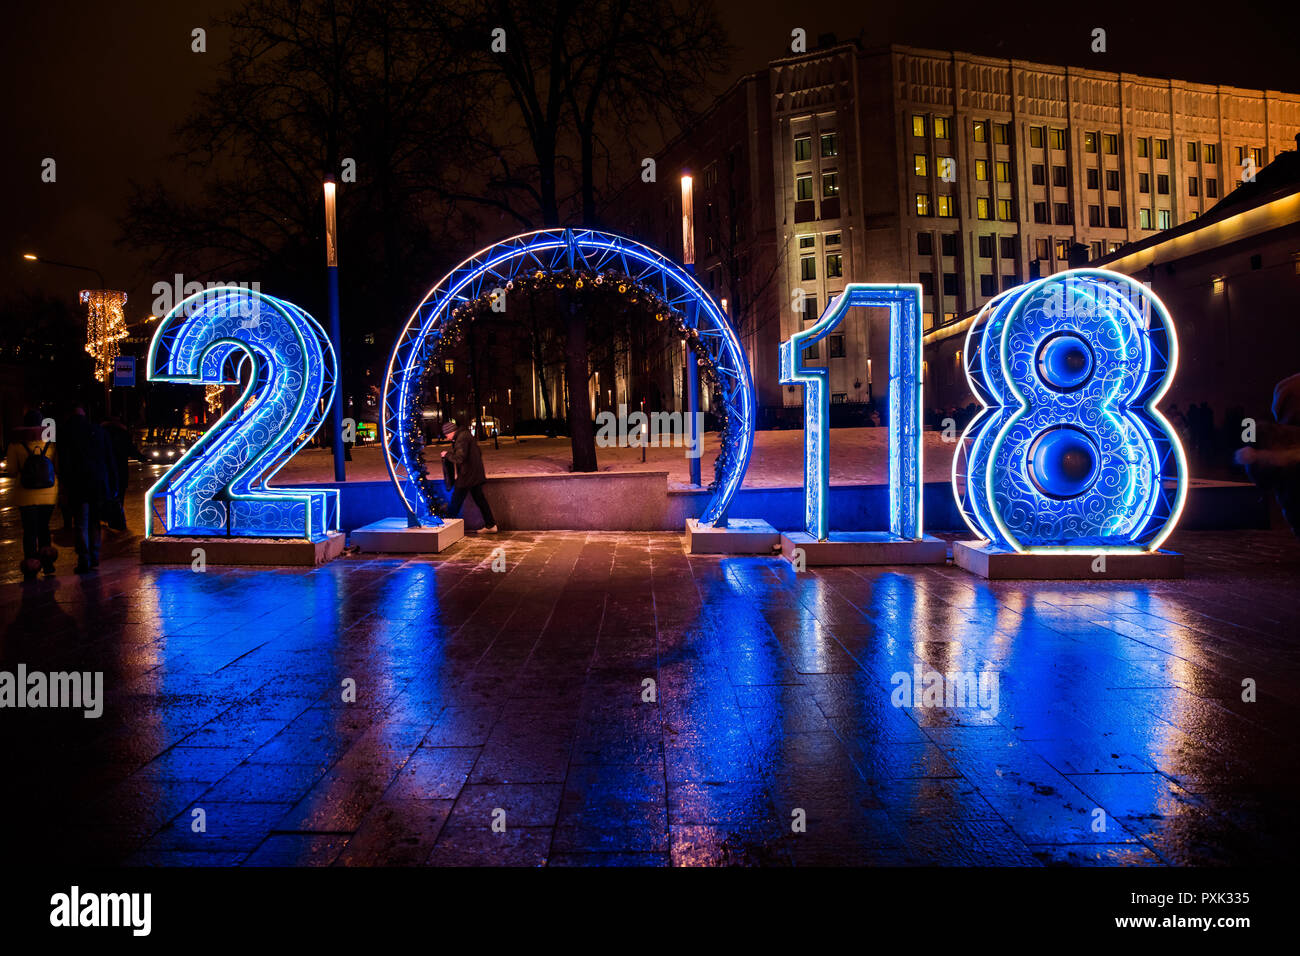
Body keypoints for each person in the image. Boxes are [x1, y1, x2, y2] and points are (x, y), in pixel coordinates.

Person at [59, 402, 118, 573]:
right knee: (95, 521)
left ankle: (83, 558)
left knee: (81, 522)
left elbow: (64, 464)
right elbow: (110, 460)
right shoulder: (99, 431)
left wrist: (64, 486)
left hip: (78, 485)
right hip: (99, 484)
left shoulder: (66, 432)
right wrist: (113, 484)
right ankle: (94, 555)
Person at [5, 409, 59, 579]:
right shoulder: (51, 442)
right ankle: (48, 564)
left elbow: (12, 470)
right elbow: (56, 467)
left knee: (29, 531)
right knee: (44, 528)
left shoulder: (15, 445)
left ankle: (31, 567)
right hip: (49, 493)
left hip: (25, 494)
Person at [439, 419, 498, 532]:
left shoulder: (461, 439)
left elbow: (459, 458)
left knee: (455, 502)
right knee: (480, 501)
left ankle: (445, 529)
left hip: (467, 476)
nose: (447, 437)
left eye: (447, 435)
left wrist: (447, 454)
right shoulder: (465, 435)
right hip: (474, 474)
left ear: (451, 431)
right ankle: (491, 525)